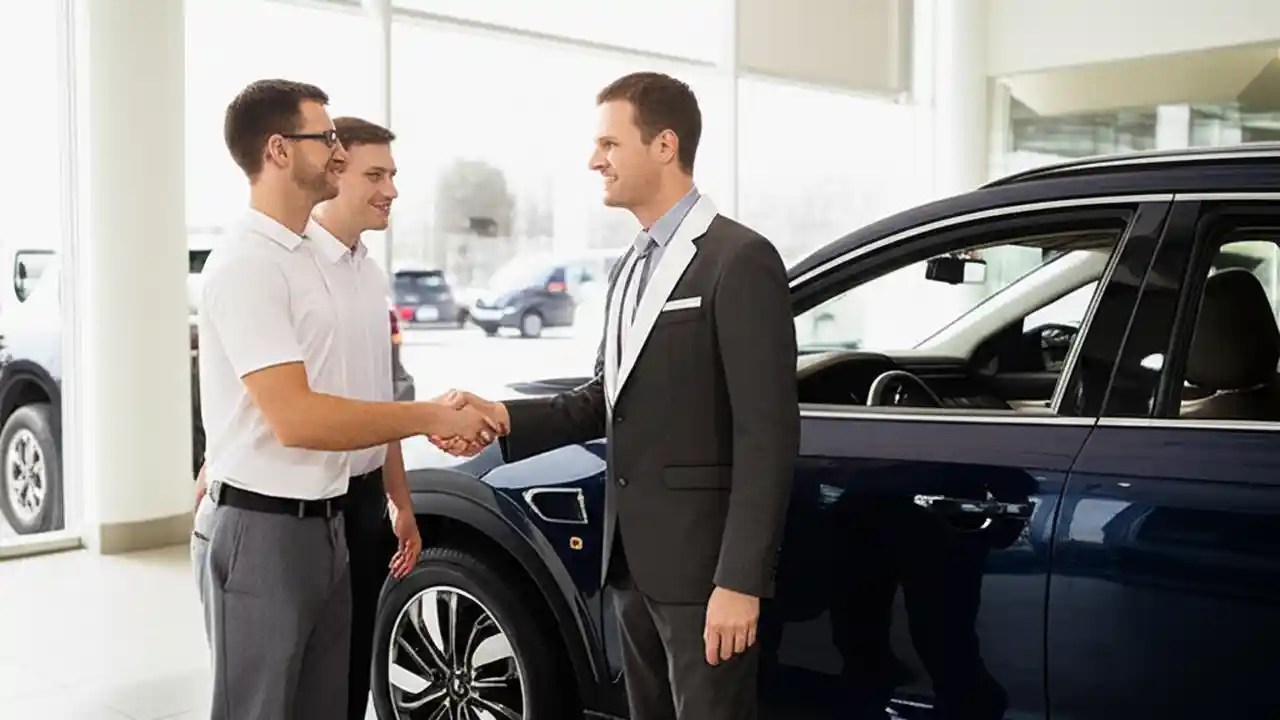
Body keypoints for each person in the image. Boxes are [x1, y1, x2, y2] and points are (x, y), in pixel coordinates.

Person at [435, 71, 799, 720]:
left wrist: (740, 580)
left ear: (664, 145)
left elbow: (766, 433)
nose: (593, 160)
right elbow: (608, 398)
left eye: (609, 143)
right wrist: (501, 415)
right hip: (628, 564)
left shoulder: (738, 259)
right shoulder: (631, 266)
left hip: (702, 575)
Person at [194, 79, 498, 720]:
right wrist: (431, 417)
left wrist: (397, 491)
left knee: (330, 704)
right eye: (325, 138)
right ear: (278, 150)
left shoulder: (308, 260)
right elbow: (297, 417)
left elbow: (358, 392)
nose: (335, 151)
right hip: (265, 528)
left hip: (328, 519)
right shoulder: (247, 263)